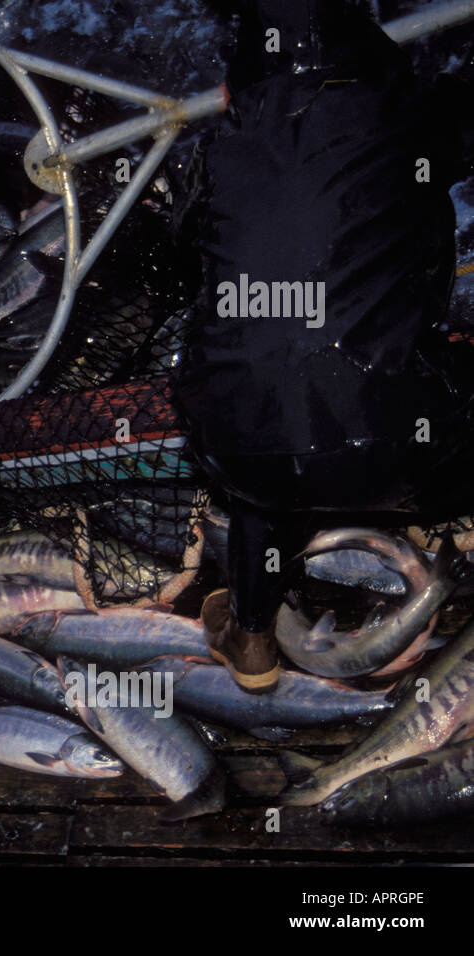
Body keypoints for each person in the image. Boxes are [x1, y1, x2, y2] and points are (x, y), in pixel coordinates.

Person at [172, 0, 474, 692]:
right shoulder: (410, 119)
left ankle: (251, 631)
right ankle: (441, 515)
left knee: (271, 391)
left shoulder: (216, 149)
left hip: (238, 446)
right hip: (396, 442)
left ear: (231, 91)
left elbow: (185, 245)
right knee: (352, 388)